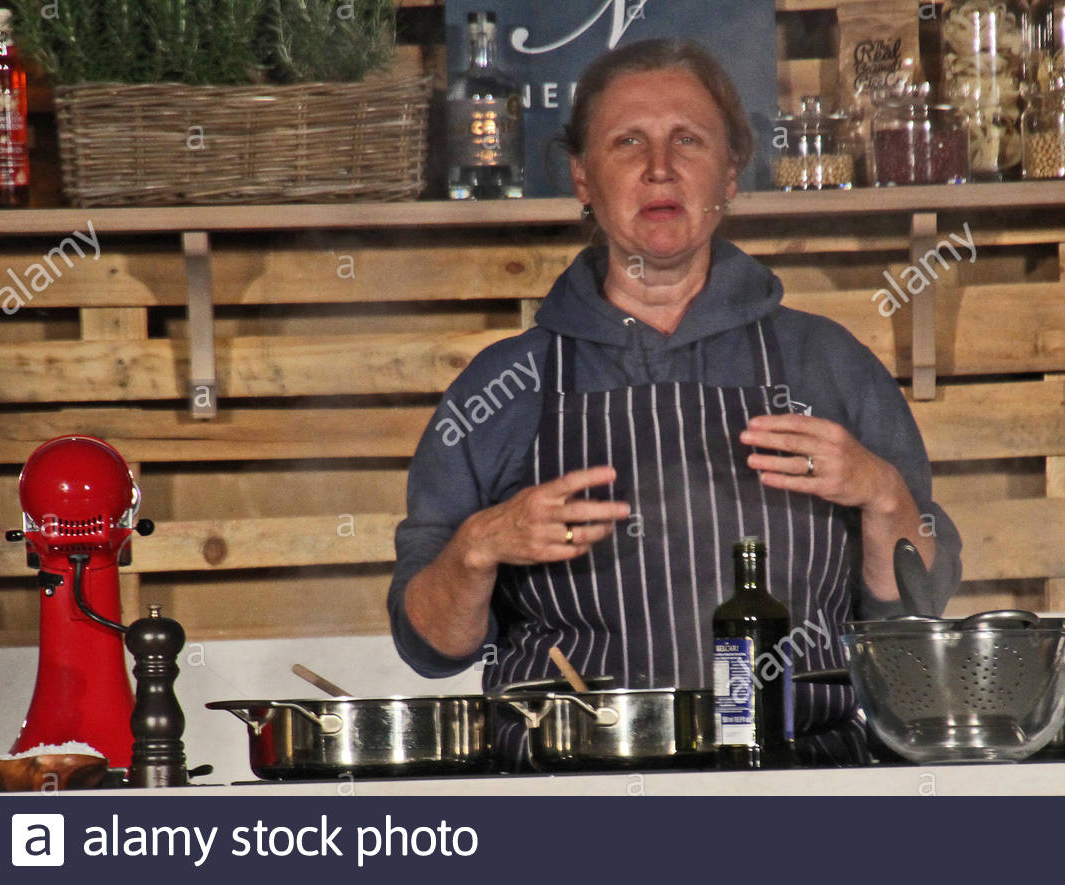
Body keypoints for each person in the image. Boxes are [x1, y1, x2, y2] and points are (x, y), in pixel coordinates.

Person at [389, 38, 962, 767]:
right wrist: (478, 548)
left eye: (687, 140)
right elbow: (426, 646)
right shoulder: (502, 386)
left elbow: (917, 611)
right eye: (628, 142)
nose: (659, 168)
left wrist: (882, 493)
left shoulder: (828, 363)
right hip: (568, 795)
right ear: (582, 178)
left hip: (799, 785)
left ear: (728, 173)